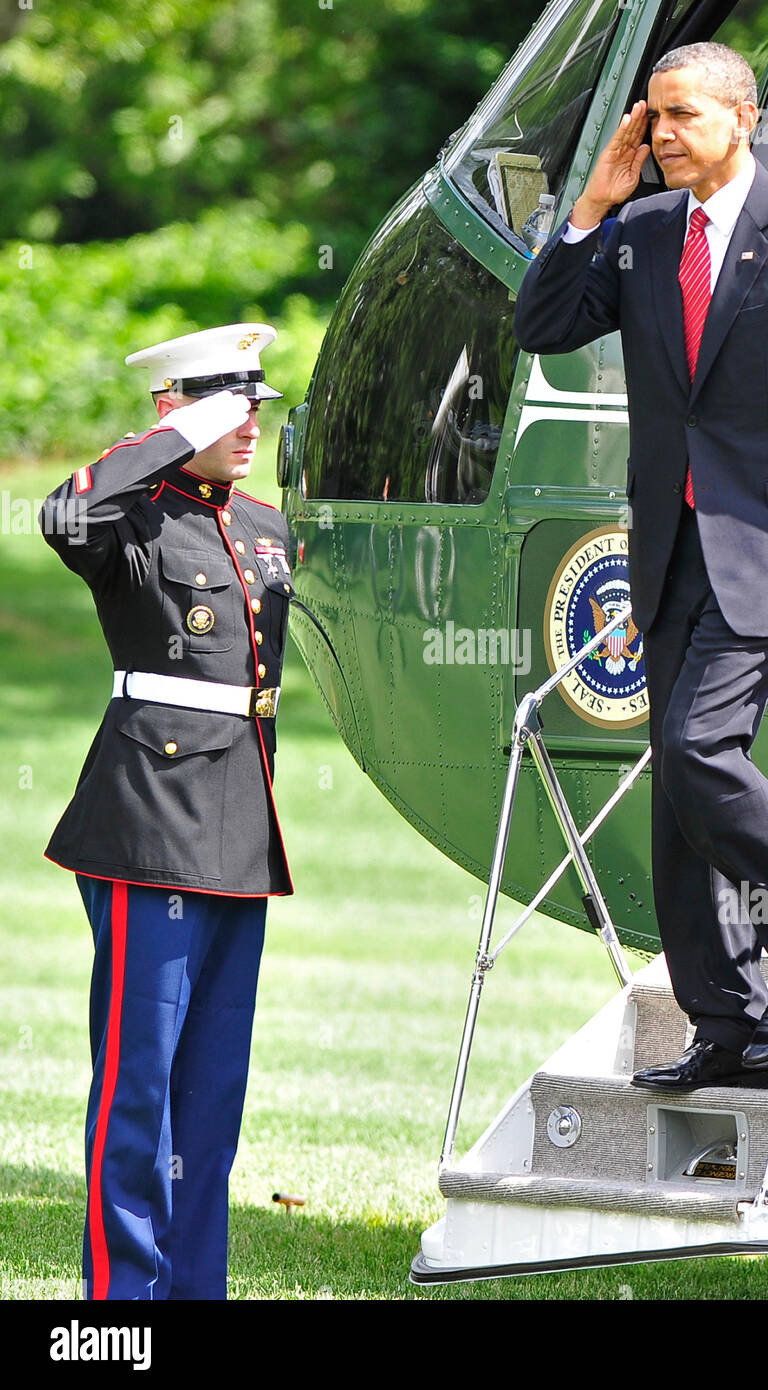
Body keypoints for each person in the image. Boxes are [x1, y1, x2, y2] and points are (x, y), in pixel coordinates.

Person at [513, 43, 768, 1090]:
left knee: (697, 751)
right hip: (663, 557)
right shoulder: (634, 233)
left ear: (742, 116)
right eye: (653, 117)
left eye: (681, 117)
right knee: (675, 791)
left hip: (767, 557)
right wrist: (591, 201)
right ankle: (725, 1020)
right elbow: (541, 326)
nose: (664, 135)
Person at [41, 324, 293, 1297]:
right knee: (137, 1090)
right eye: (225, 407)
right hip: (147, 824)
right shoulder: (130, 519)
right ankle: (124, 1301)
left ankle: (194, 1291)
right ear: (174, 410)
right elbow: (65, 512)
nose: (247, 424)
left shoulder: (265, 528)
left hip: (239, 829)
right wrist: (172, 435)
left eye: (254, 406)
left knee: (211, 1097)